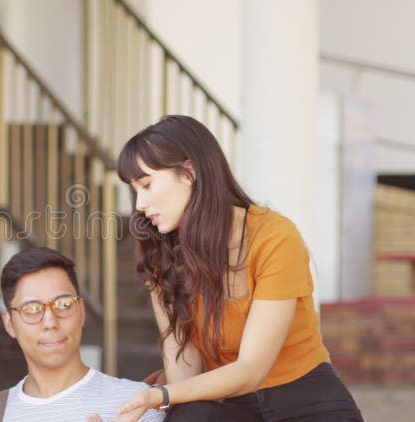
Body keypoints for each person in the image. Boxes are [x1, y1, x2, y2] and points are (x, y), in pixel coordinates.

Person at [113, 115, 363, 421]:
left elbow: (250, 370)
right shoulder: (160, 255)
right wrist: (164, 402)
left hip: (306, 396)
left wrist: (160, 395)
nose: (138, 203)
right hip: (227, 403)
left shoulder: (274, 236)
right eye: (134, 189)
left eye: (147, 185)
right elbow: (184, 373)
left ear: (188, 172)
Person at [0, 247, 165, 422]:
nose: (50, 322)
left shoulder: (137, 404)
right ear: (9, 324)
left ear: (82, 312)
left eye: (64, 304)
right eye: (32, 309)